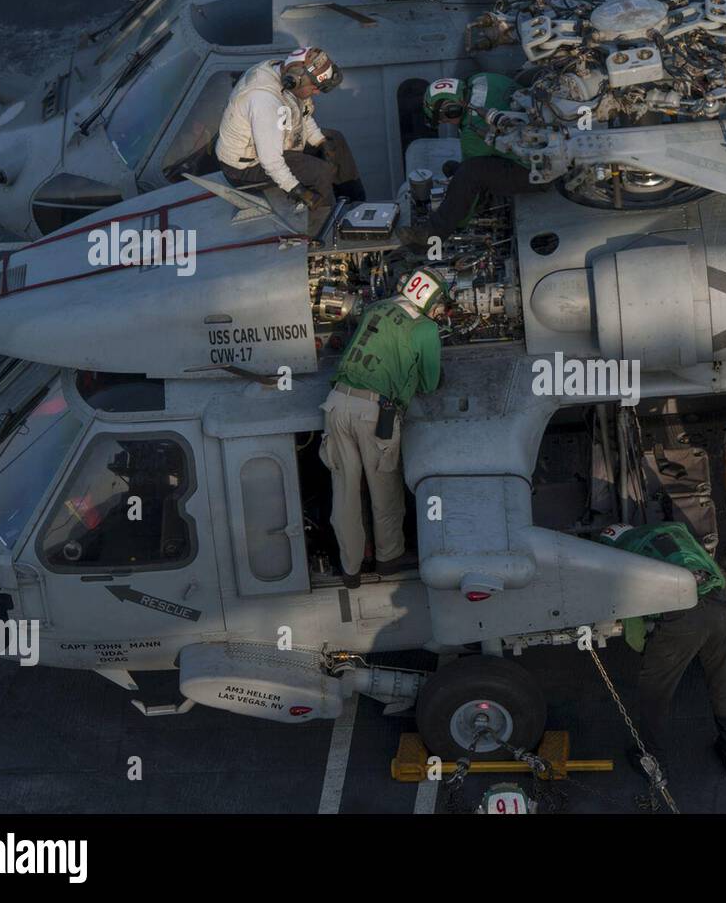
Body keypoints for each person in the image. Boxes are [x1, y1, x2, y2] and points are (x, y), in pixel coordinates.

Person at [321, 268, 449, 585]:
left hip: (336, 404)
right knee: (384, 491)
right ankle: (388, 560)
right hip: (374, 413)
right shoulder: (425, 328)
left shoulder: (377, 308)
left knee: (345, 493)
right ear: (432, 300)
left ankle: (350, 570)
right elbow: (430, 383)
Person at [599, 521, 726, 783]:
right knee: (721, 676)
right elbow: (716, 572)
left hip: (679, 618)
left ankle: (654, 763)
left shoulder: (625, 559)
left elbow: (635, 634)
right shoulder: (669, 533)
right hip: (719, 603)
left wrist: (654, 654)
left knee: (655, 692)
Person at [215, 47, 365, 234]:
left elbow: (300, 113)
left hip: (275, 142)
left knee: (334, 140)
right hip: (245, 169)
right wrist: (298, 191)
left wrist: (320, 141)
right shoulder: (264, 101)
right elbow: (271, 161)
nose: (316, 92)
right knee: (321, 173)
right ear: (296, 80)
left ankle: (356, 206)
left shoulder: (285, 74)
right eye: (315, 87)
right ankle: (325, 233)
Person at [399, 74, 550, 249]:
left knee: (469, 173)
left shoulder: (472, 133)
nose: (448, 124)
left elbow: (470, 179)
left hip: (537, 171)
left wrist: (461, 220)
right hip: (540, 137)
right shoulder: (483, 79)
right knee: (456, 169)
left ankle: (432, 235)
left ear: (452, 111)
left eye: (445, 119)